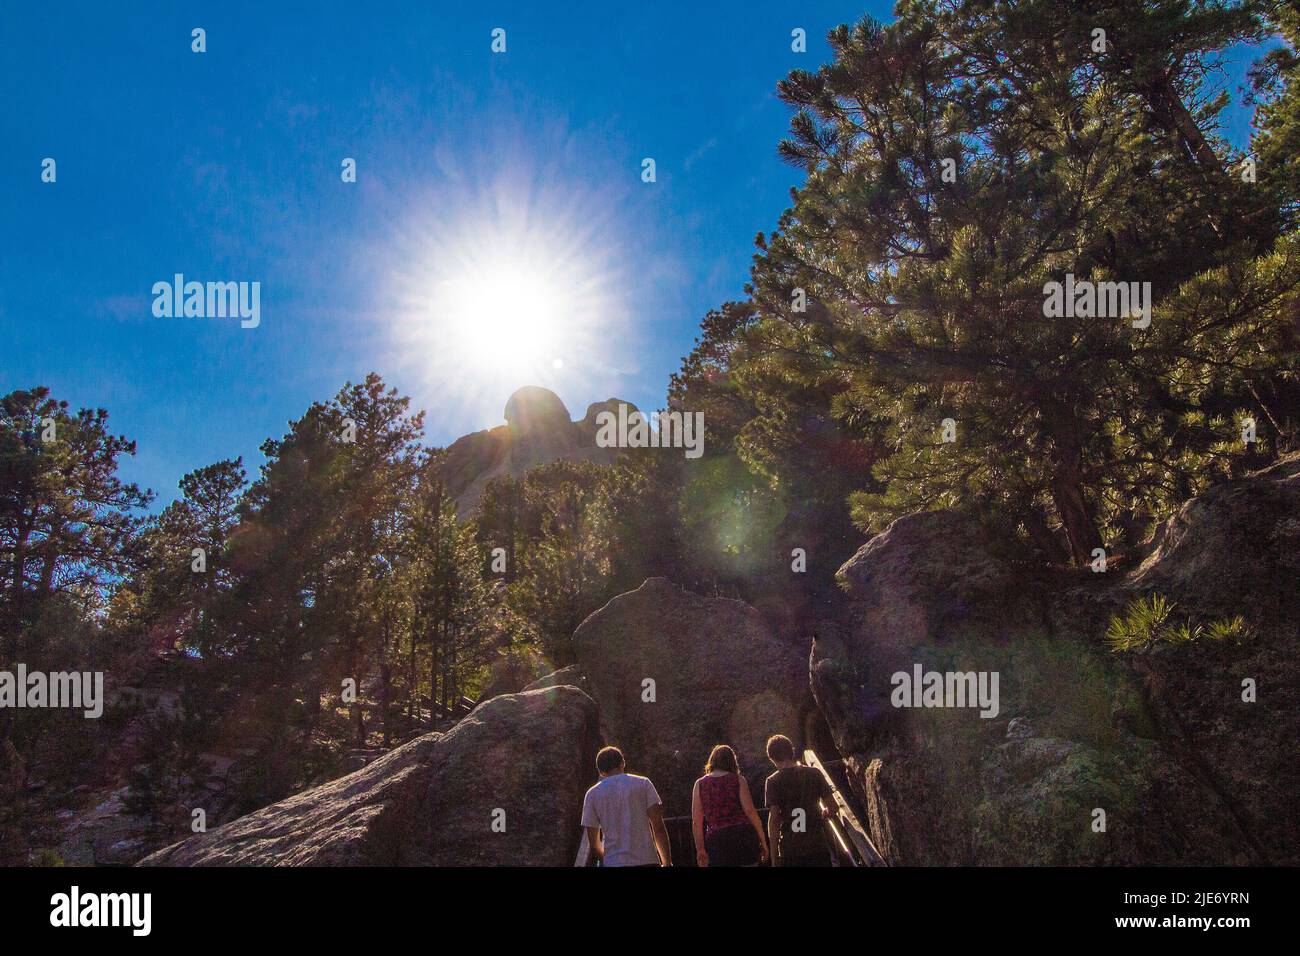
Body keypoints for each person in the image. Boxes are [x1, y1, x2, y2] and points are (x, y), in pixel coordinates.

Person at [580, 746, 672, 867]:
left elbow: (594, 844)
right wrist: (666, 862)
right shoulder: (643, 783)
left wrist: (609, 859)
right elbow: (658, 826)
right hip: (647, 860)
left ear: (601, 771)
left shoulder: (592, 794)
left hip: (614, 862)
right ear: (622, 762)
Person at [691, 744, 769, 867]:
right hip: (742, 836)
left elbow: (697, 821)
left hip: (717, 840)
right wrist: (763, 840)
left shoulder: (700, 784)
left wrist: (700, 849)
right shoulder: (738, 780)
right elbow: (750, 811)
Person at [763, 734, 834, 867]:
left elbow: (774, 820)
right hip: (817, 846)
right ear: (792, 751)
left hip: (791, 850)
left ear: (772, 758)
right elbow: (833, 806)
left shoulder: (773, 781)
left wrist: (774, 856)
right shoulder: (815, 773)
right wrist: (826, 812)